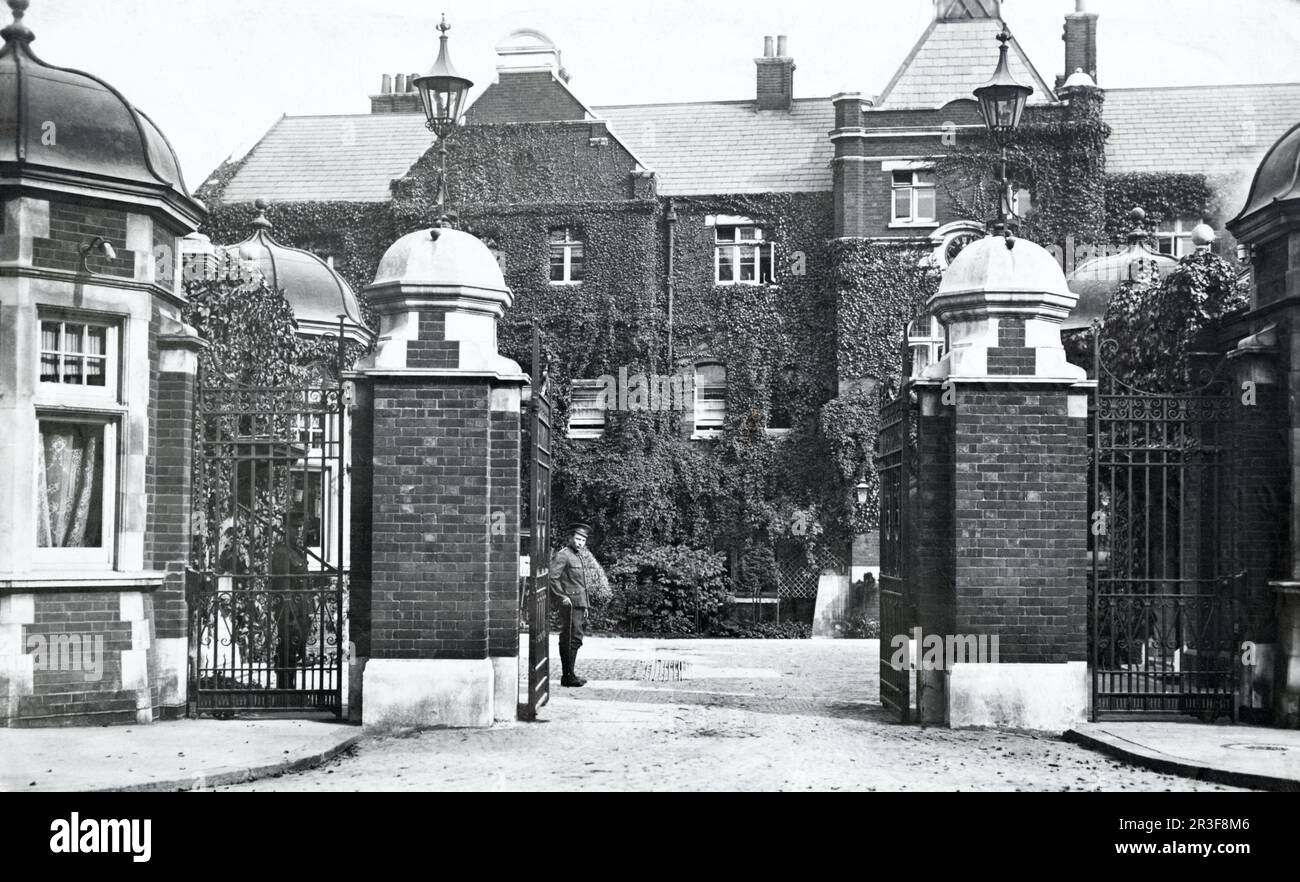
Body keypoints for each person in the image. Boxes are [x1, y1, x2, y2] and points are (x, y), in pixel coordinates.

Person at [548, 521, 607, 687]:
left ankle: (570, 674)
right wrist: (561, 597)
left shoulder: (578, 555)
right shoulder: (563, 555)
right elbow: (552, 577)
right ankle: (568, 676)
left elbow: (580, 583)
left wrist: (585, 605)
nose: (580, 542)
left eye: (583, 540)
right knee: (570, 638)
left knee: (575, 638)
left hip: (579, 604)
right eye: (578, 539)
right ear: (570, 538)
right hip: (570, 604)